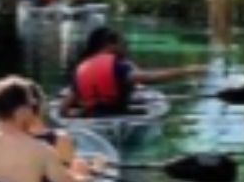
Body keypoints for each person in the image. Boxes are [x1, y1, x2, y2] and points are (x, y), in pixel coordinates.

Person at [62, 26, 200, 116]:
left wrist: (78, 113)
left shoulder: (81, 68)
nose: (125, 47)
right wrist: (186, 71)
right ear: (111, 44)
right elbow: (151, 77)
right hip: (119, 116)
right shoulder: (119, 66)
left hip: (90, 118)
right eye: (123, 43)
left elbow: (63, 110)